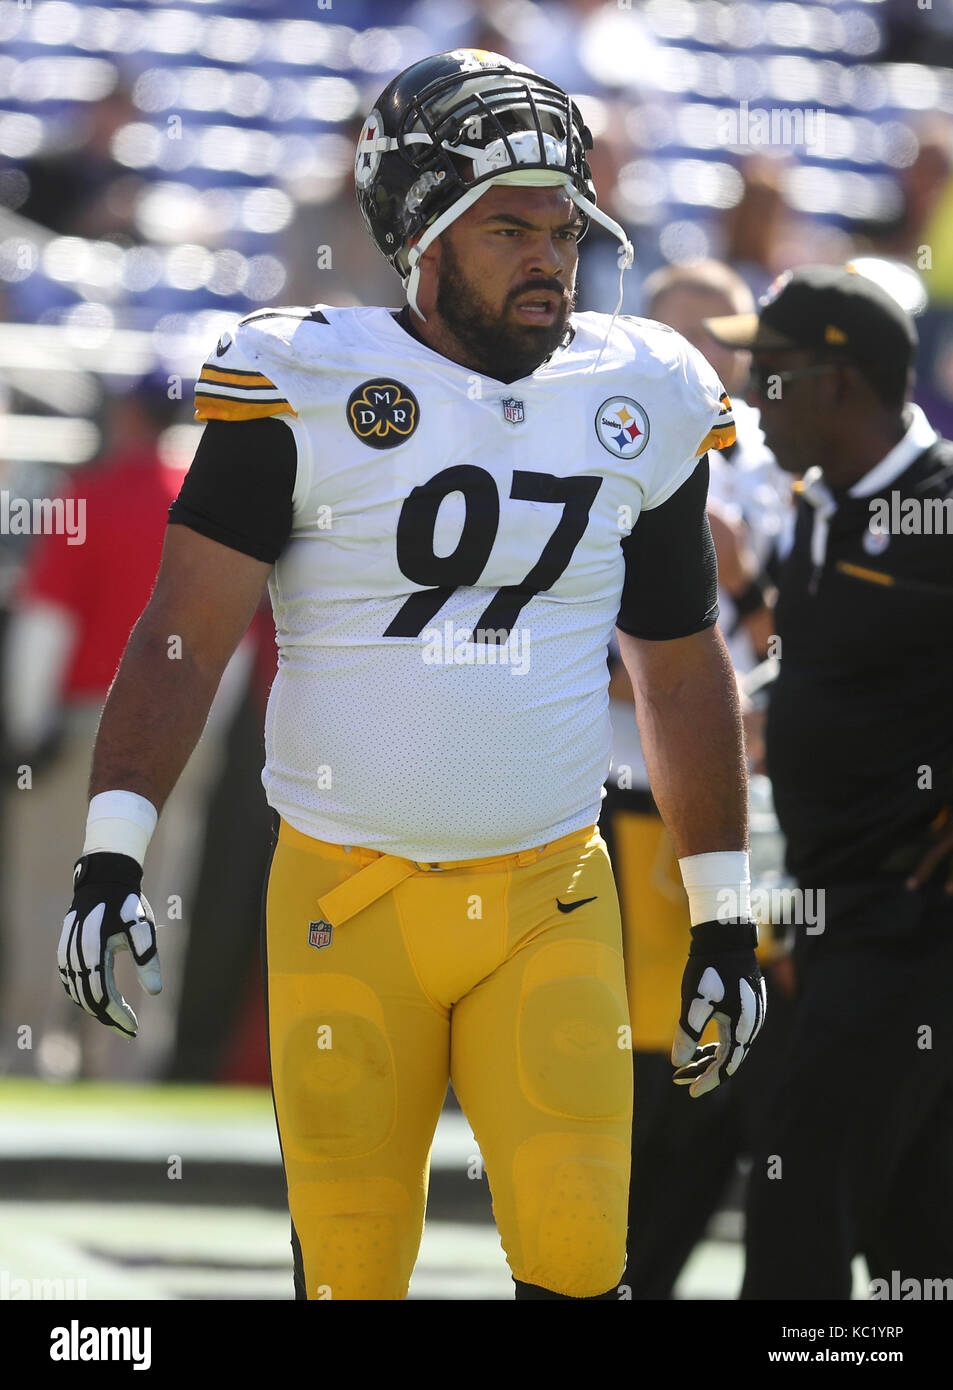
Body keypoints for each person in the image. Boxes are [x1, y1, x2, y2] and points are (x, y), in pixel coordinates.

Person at [56, 50, 766, 1302]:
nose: (549, 256)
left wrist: (722, 909)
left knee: (575, 1258)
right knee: (349, 1274)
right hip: (344, 890)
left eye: (562, 225)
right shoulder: (303, 376)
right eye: (508, 227)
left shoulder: (637, 388)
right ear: (419, 236)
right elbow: (184, 632)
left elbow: (677, 665)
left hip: (552, 887)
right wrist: (113, 845)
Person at [705, 263, 953, 1299]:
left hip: (912, 917)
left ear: (838, 383)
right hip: (834, 912)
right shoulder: (816, 512)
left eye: (767, 373)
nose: (746, 397)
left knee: (798, 1179)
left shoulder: (939, 510)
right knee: (911, 1218)